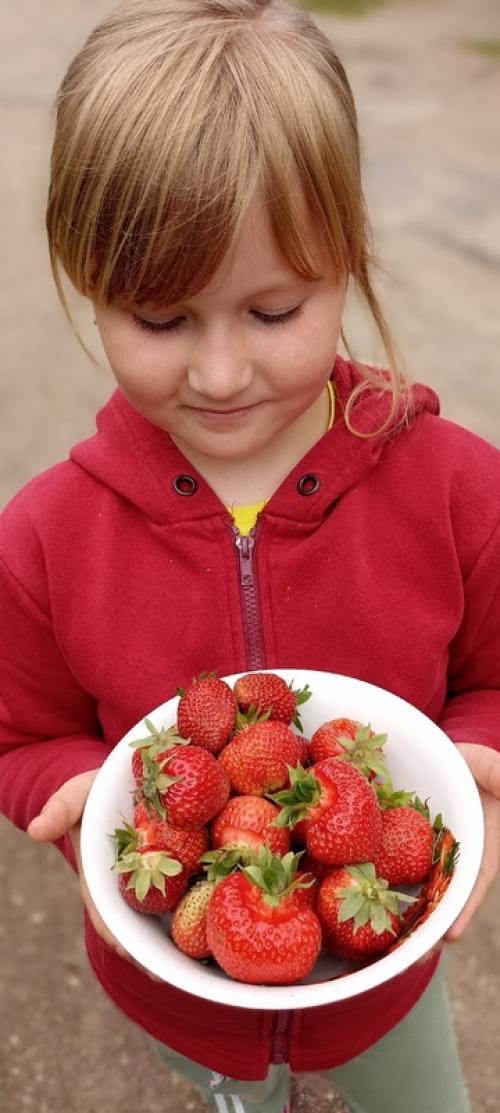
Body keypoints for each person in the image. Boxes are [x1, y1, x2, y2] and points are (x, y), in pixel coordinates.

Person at [1, 1, 499, 1110]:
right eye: (160, 319)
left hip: (383, 978)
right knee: (233, 1091)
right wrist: (77, 791)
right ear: (85, 280)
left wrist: (475, 757)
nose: (220, 374)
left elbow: (495, 678)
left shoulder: (460, 491)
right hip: (174, 987)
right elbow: (21, 732)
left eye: (273, 310)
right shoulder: (41, 540)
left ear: (349, 253)